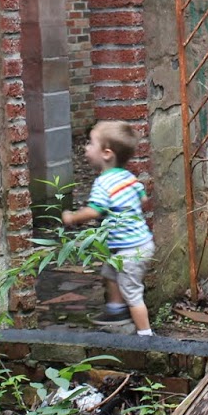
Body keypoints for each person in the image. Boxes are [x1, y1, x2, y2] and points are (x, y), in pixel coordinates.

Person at [61, 120, 156, 336]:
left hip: (130, 251)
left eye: (90, 143)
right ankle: (115, 311)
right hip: (138, 245)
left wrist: (73, 217)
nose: (85, 147)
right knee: (110, 273)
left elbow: (94, 210)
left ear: (106, 153)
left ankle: (147, 337)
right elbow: (141, 197)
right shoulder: (128, 177)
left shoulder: (104, 183)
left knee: (133, 295)